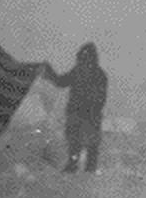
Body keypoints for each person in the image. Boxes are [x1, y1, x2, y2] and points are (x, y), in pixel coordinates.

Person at [44, 43, 108, 173]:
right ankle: (82, 167)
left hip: (84, 115)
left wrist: (50, 74)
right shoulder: (88, 73)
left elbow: (60, 82)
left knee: (83, 144)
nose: (82, 62)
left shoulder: (90, 74)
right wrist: (50, 73)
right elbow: (61, 82)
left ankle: (79, 167)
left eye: (84, 58)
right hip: (84, 115)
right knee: (81, 143)